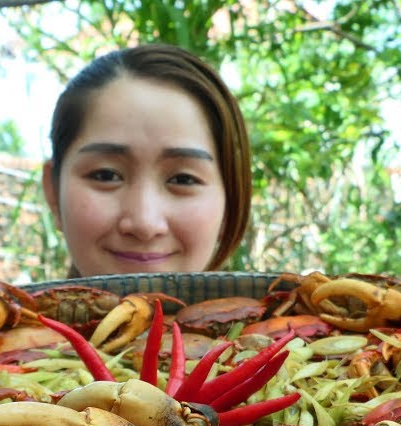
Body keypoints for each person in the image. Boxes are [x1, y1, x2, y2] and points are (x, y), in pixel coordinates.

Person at [41, 44, 252, 277]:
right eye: (106, 175)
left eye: (183, 179)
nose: (145, 223)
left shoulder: (294, 312)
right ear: (53, 193)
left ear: (230, 204)